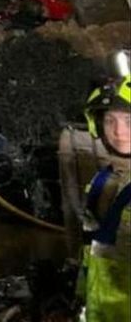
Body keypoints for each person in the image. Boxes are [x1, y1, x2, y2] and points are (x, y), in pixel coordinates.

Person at [78, 75, 130, 322]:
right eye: (110, 120)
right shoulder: (101, 181)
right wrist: (80, 298)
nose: (119, 132)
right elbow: (90, 251)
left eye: (130, 121)